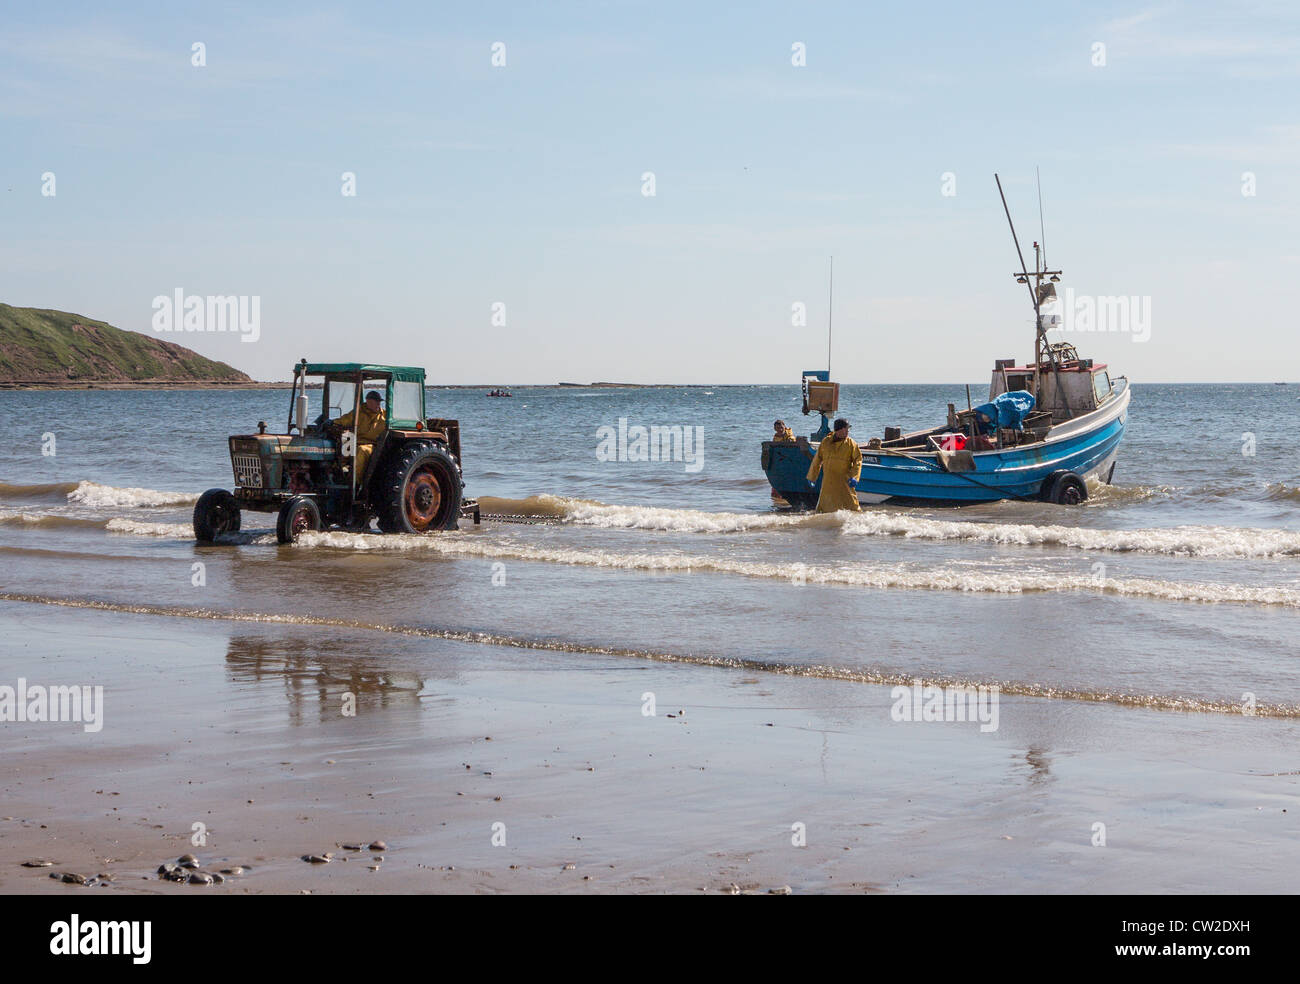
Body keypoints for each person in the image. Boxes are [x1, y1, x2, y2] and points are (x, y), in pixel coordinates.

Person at [805, 417, 862, 512]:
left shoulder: (851, 444)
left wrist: (855, 477)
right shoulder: (826, 442)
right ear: (839, 430)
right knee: (825, 508)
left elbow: (858, 461)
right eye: (846, 429)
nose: (848, 431)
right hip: (828, 482)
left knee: (853, 509)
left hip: (845, 481)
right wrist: (812, 477)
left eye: (848, 429)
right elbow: (817, 460)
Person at [333, 390, 387, 480]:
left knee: (362, 450)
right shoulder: (359, 412)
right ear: (368, 401)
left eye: (379, 402)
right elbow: (346, 419)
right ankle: (341, 469)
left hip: (373, 445)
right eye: (376, 401)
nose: (378, 404)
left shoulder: (384, 416)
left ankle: (354, 481)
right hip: (356, 441)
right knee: (346, 437)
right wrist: (334, 422)